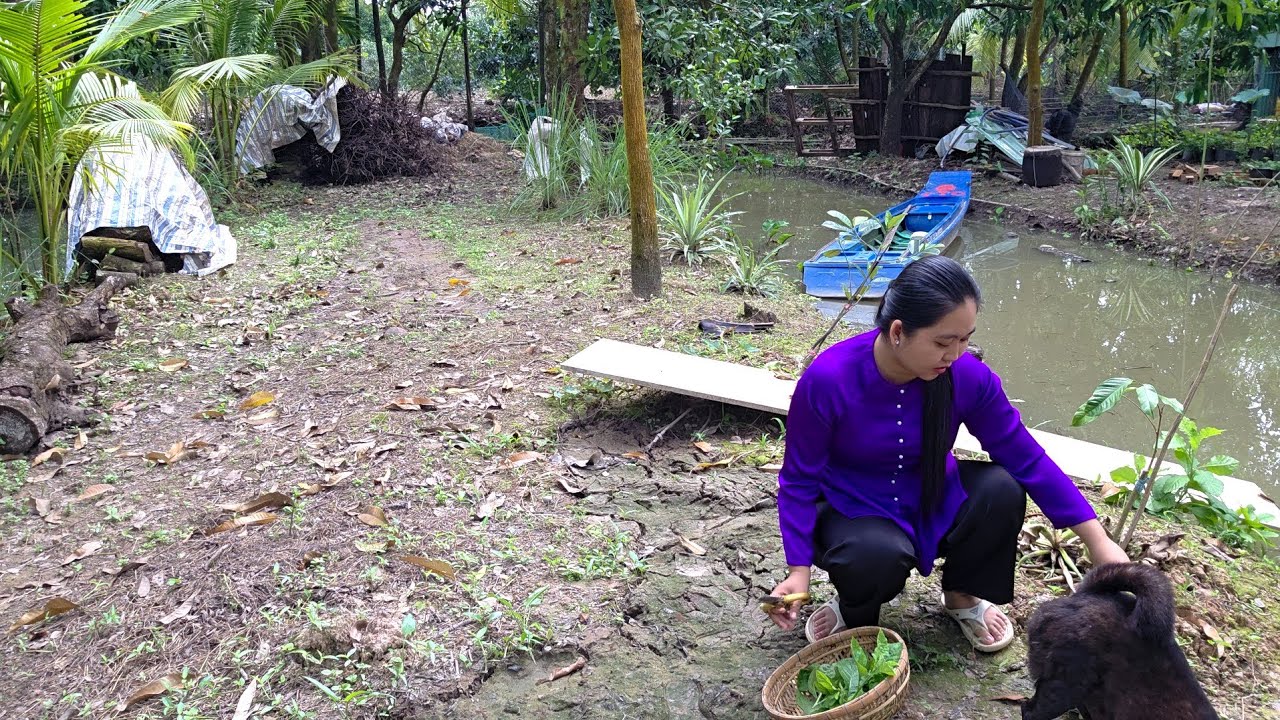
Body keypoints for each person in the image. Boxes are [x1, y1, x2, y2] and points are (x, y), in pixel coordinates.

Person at [766, 255, 1129, 651]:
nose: (955, 354)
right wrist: (798, 571)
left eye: (965, 338)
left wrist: (1098, 542)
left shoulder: (965, 375)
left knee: (1001, 488)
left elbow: (1025, 455)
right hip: (852, 509)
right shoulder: (828, 379)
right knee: (872, 554)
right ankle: (854, 610)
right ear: (899, 331)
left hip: (933, 495)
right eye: (943, 342)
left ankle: (963, 597)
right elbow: (799, 481)